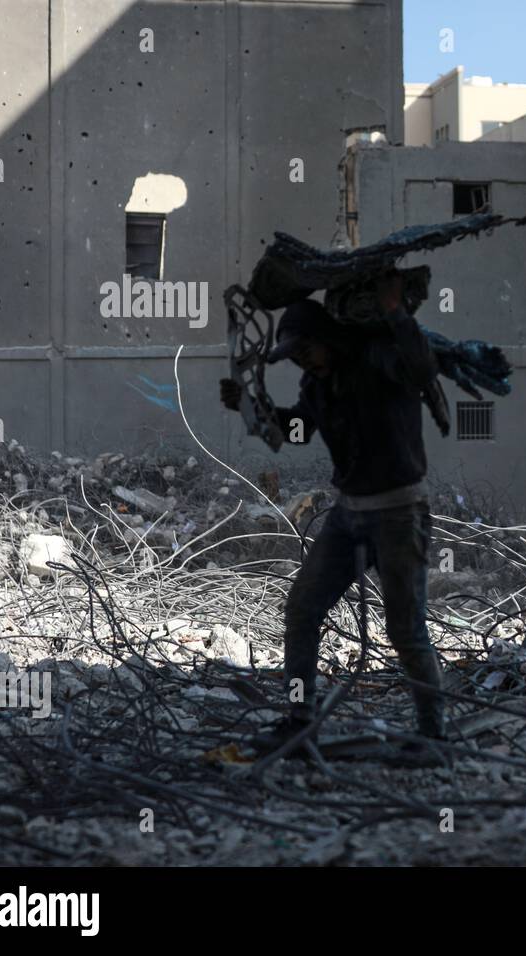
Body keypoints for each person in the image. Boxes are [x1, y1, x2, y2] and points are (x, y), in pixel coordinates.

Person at [219, 274, 447, 765]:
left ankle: (435, 737)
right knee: (303, 609)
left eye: (306, 351)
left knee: (406, 629)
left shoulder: (380, 360)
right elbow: (299, 430)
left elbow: (422, 366)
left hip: (398, 511)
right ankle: (300, 721)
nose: (302, 361)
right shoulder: (317, 384)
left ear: (327, 339)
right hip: (350, 514)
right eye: (295, 356)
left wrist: (395, 313)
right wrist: (250, 408)